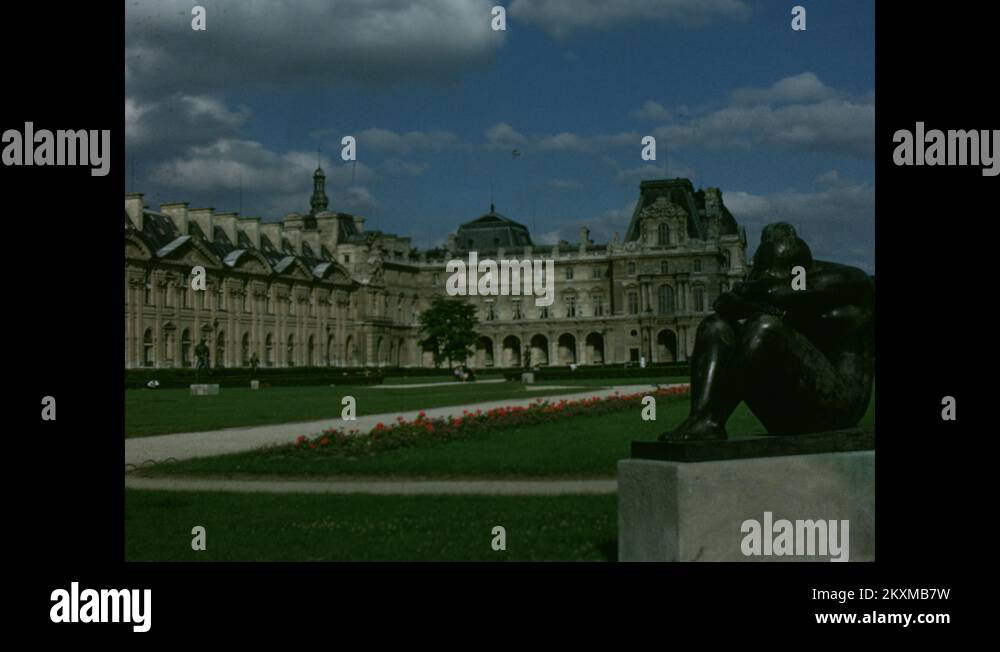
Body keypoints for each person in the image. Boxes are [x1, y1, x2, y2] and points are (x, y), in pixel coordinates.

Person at [661, 223, 874, 441]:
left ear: (799, 268)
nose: (766, 277)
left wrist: (750, 290)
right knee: (714, 326)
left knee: (765, 326)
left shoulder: (849, 280)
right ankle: (703, 420)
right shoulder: (767, 280)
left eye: (774, 274)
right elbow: (723, 303)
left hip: (838, 407)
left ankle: (714, 417)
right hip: (781, 409)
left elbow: (781, 290)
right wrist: (754, 300)